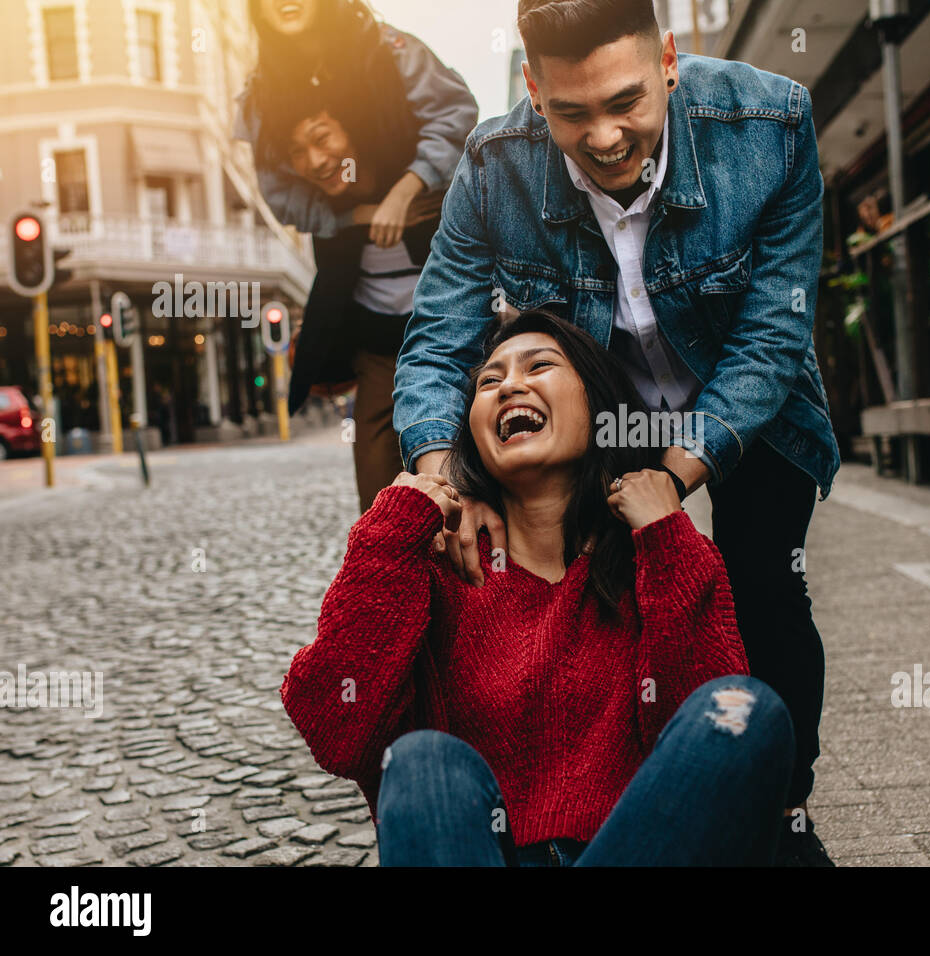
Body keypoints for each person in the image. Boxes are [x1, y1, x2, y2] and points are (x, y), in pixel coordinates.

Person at [393, 0, 839, 864]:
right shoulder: (492, 166)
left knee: (763, 585)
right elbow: (438, 337)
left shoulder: (771, 123)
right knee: (609, 601)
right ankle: (624, 800)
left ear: (668, 59)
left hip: (752, 402)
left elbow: (773, 336)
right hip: (607, 411)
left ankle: (784, 807)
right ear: (533, 89)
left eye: (625, 102)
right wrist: (444, 483)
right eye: (571, 112)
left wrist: (675, 477)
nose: (603, 136)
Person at [282, 311, 795, 866]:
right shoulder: (434, 571)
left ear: (599, 407)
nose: (509, 385)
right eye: (488, 381)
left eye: (540, 366)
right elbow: (336, 729)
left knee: (749, 709)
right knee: (422, 758)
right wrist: (395, 525)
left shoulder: (661, 557)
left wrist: (665, 537)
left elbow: (705, 757)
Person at [235, 0, 477, 510]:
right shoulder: (262, 96)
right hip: (374, 333)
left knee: (474, 474)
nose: (315, 162)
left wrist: (407, 189)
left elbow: (457, 117)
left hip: (456, 320)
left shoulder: (389, 55)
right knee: (379, 488)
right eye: (299, 152)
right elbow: (281, 197)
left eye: (323, 141)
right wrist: (363, 214)